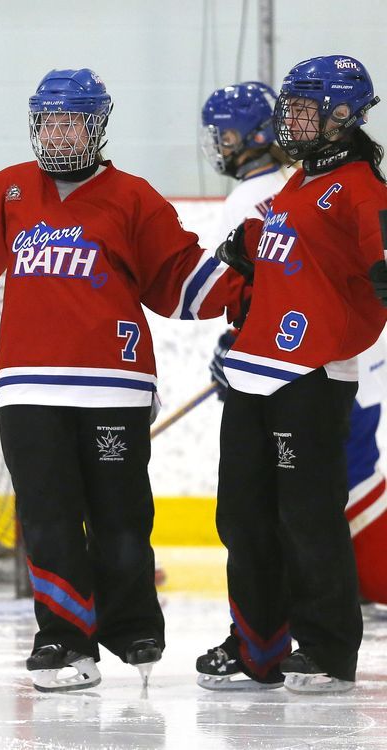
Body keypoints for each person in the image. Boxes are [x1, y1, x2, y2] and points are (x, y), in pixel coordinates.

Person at [0, 67, 246, 692]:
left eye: (71, 122)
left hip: (114, 384)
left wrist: (244, 288)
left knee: (121, 515)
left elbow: (178, 277)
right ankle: (63, 639)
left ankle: (131, 626)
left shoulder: (133, 197)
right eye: (49, 121)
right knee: (47, 518)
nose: (58, 133)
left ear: (96, 127)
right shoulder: (9, 191)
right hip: (28, 388)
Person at [197, 55, 387, 694]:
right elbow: (285, 244)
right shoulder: (300, 180)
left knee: (307, 517)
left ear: (343, 115)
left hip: (313, 374)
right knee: (242, 517)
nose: (292, 120)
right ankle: (257, 648)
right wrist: (247, 246)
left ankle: (328, 650)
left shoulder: (361, 186)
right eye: (291, 108)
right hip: (253, 371)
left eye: (306, 109)